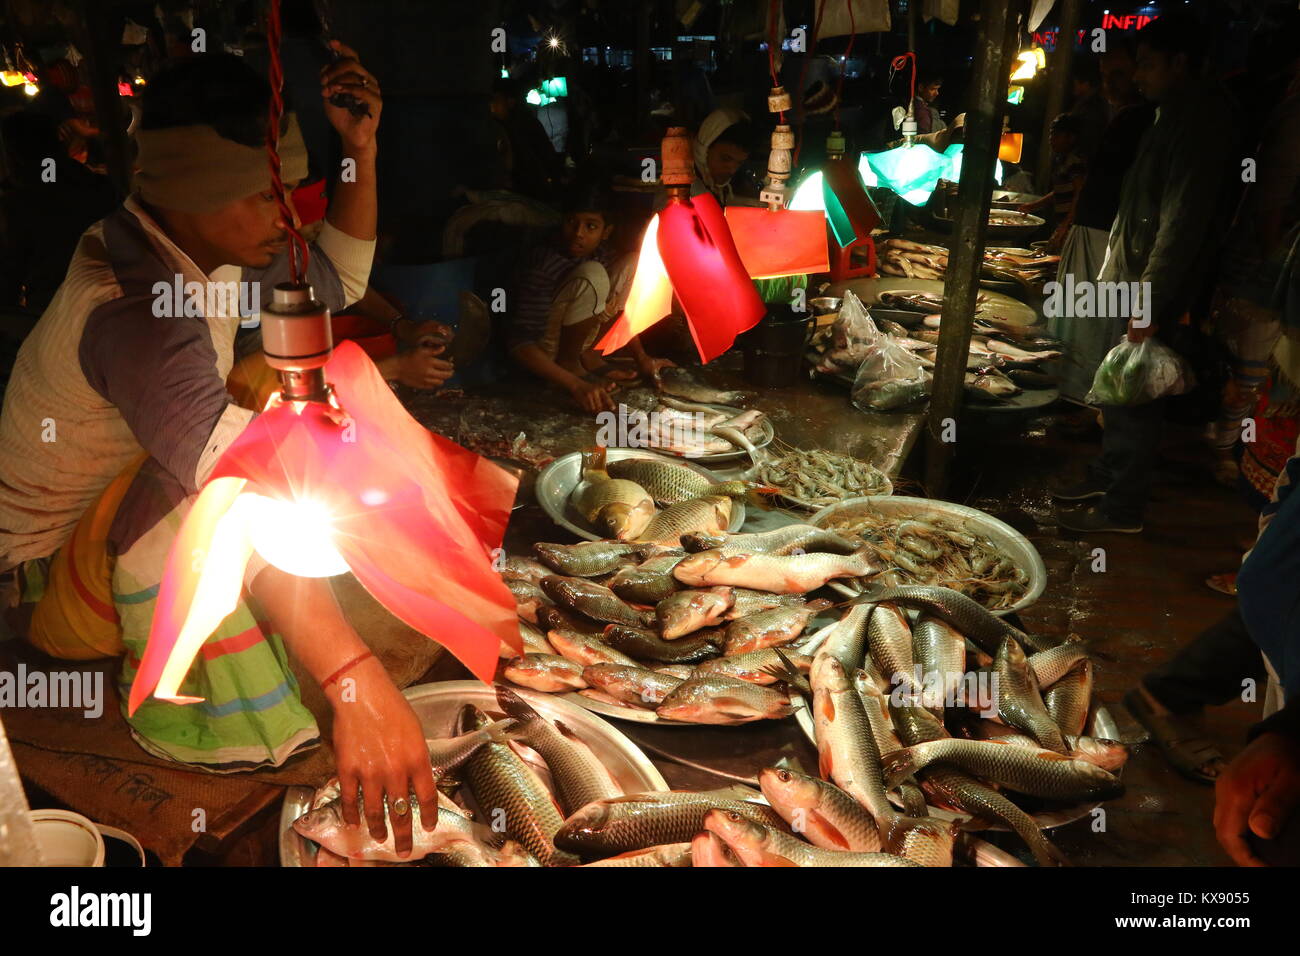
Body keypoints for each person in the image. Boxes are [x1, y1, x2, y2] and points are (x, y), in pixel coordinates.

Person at [0, 50, 438, 857]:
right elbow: (238, 489)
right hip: (41, 582)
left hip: (118, 492)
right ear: (196, 193)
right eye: (263, 194)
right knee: (217, 485)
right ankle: (207, 720)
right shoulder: (138, 311)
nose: (286, 213)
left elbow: (333, 279)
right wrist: (355, 680)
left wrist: (361, 154)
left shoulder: (184, 238)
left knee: (269, 386)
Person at [1053, 14, 1240, 534]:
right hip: (1138, 275)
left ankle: (1122, 508)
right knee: (1121, 385)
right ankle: (1111, 472)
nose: (1138, 76)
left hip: (1157, 286)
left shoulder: (1200, 119)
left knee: (1135, 391)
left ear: (1181, 63)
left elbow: (1182, 222)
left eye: (1149, 65)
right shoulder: (1170, 112)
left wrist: (1149, 303)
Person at [1046, 40, 1156, 406]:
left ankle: (1086, 400)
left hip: (1107, 238)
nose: (1111, 83)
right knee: (1076, 314)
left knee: (1091, 318)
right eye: (1105, 75)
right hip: (1092, 232)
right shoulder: (1118, 116)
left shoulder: (1141, 119)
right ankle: (1073, 393)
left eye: (1121, 74)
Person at [508, 182, 671, 412]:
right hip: (546, 349)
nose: (578, 233)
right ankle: (570, 365)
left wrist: (642, 357)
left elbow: (622, 309)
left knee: (632, 264)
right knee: (593, 275)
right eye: (572, 223)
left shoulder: (602, 253)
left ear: (606, 232)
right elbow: (519, 344)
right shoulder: (543, 265)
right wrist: (575, 385)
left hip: (576, 339)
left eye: (590, 226)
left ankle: (590, 355)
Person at [1017, 113, 1087, 250]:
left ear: (1071, 138)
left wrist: (1066, 225)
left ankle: (1068, 273)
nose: (1051, 139)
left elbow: (1080, 193)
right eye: (1051, 135)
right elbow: (1059, 191)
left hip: (1072, 226)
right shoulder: (1061, 160)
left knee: (1067, 264)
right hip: (1063, 223)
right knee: (1059, 260)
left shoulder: (1075, 161)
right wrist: (1032, 206)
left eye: (1056, 135)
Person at [489, 76, 565, 202]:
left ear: (510, 101)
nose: (491, 106)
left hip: (528, 192)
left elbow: (544, 155)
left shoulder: (524, 126)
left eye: (496, 100)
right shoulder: (497, 128)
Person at [690, 108, 755, 207]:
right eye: (725, 159)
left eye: (739, 163)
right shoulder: (681, 194)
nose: (732, 170)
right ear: (704, 148)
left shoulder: (725, 189)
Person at [1067, 55, 1109, 161]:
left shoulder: (1092, 108)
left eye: (1075, 83)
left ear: (1086, 84)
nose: (1073, 87)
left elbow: (1088, 141)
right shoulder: (1085, 104)